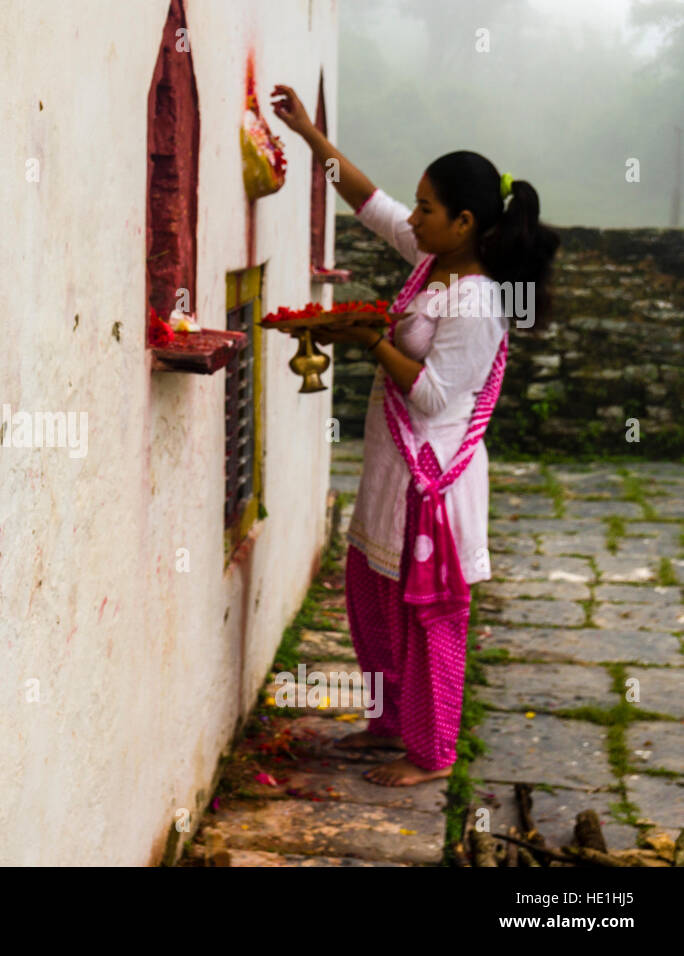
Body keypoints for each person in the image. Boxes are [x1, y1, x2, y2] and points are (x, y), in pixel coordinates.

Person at [270, 84, 560, 785]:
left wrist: (370, 339)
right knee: (372, 603)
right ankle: (387, 726)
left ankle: (430, 754)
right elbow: (370, 203)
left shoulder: (477, 298)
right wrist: (310, 137)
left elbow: (431, 398)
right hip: (390, 475)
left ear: (463, 222)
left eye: (428, 208)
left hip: (433, 483)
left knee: (427, 621)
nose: (415, 216)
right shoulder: (434, 262)